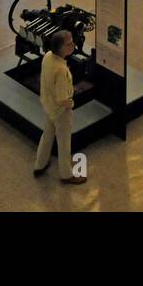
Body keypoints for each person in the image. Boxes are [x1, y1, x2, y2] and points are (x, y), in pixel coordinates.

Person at [33, 30, 86, 185]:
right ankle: (66, 174)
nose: (73, 45)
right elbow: (62, 98)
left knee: (47, 135)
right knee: (64, 142)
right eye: (69, 43)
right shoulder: (61, 70)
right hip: (61, 111)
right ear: (62, 48)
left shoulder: (48, 57)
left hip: (48, 106)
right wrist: (71, 103)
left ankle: (40, 164)